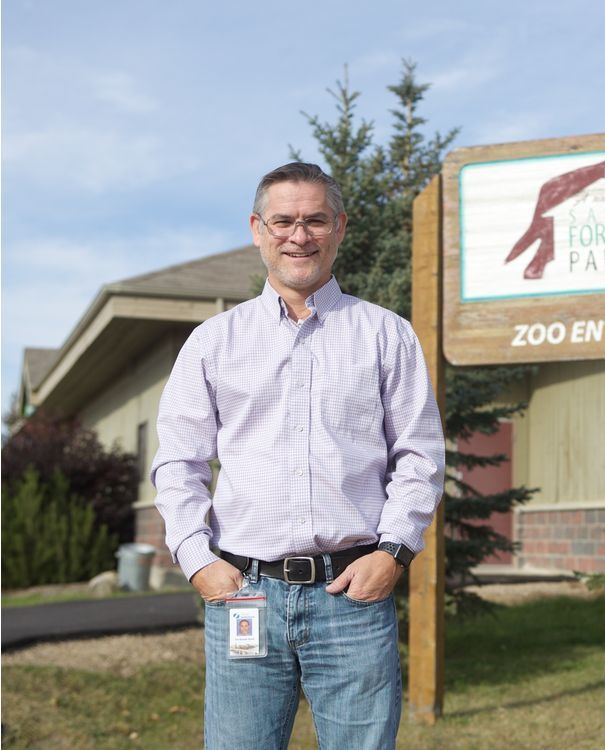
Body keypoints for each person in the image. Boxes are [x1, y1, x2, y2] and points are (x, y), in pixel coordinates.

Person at [151, 162, 445, 749]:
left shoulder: (387, 335)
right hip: (245, 596)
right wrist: (196, 558)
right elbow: (178, 462)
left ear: (340, 227)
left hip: (354, 597)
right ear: (257, 229)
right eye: (283, 220)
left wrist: (394, 551)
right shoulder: (214, 342)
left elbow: (419, 456)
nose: (298, 235)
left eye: (314, 220)